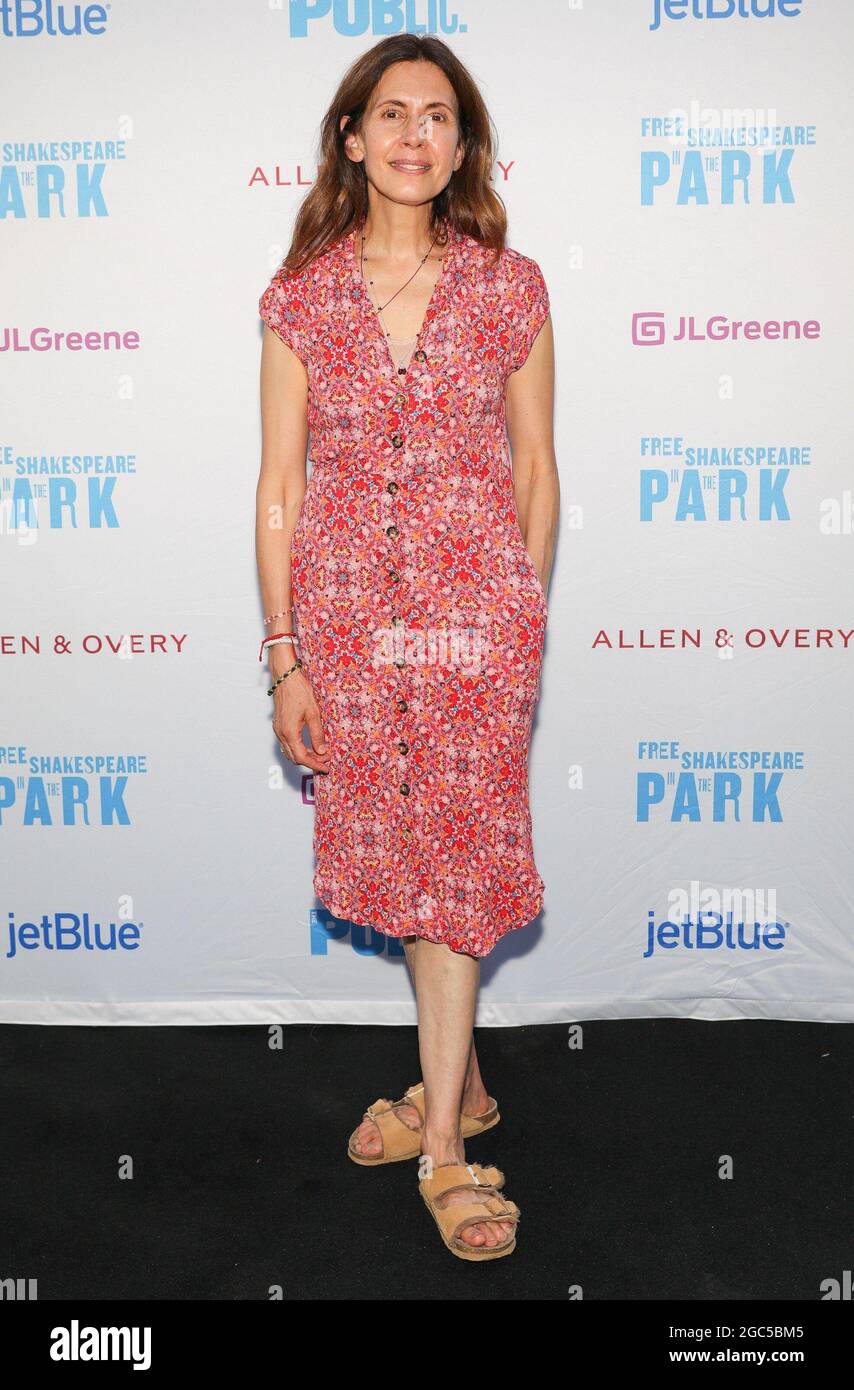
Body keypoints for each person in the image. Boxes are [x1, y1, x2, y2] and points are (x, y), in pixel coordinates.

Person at [256, 33, 558, 1261]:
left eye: (439, 117)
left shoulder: (510, 285)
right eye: (391, 114)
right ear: (349, 137)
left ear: (461, 146)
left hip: (475, 629)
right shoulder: (300, 296)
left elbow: (535, 465)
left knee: (455, 869)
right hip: (347, 632)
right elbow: (280, 483)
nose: (413, 135)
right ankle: (465, 1086)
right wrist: (284, 654)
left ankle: (444, 1146)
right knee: (404, 864)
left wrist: (515, 614)